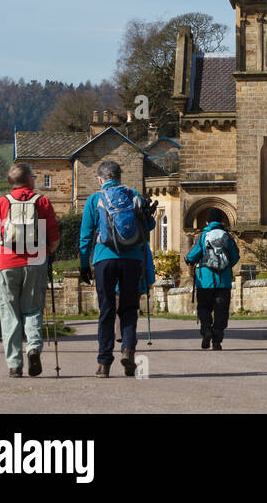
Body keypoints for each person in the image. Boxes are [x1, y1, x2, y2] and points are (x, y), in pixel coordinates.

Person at [0, 164, 59, 377]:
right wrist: (46, 252)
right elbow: (53, 237)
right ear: (30, 181)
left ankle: (14, 364)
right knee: (33, 309)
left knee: (10, 314)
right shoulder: (42, 202)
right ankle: (33, 347)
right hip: (35, 262)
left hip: (6, 263)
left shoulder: (1, 203)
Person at [79, 160, 154, 378]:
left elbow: (85, 237)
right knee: (129, 309)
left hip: (104, 259)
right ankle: (128, 351)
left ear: (99, 179)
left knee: (107, 311)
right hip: (132, 259)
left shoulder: (94, 199)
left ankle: (104, 364)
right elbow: (148, 226)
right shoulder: (134, 196)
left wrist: (84, 264)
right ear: (119, 178)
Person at [185, 209, 239, 350]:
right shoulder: (228, 236)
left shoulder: (202, 235)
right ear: (221, 221)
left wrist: (188, 259)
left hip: (205, 280)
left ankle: (207, 329)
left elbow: (193, 254)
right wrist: (225, 267)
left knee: (204, 307)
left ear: (207, 221)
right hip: (223, 282)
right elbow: (235, 256)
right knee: (221, 310)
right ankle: (217, 340)